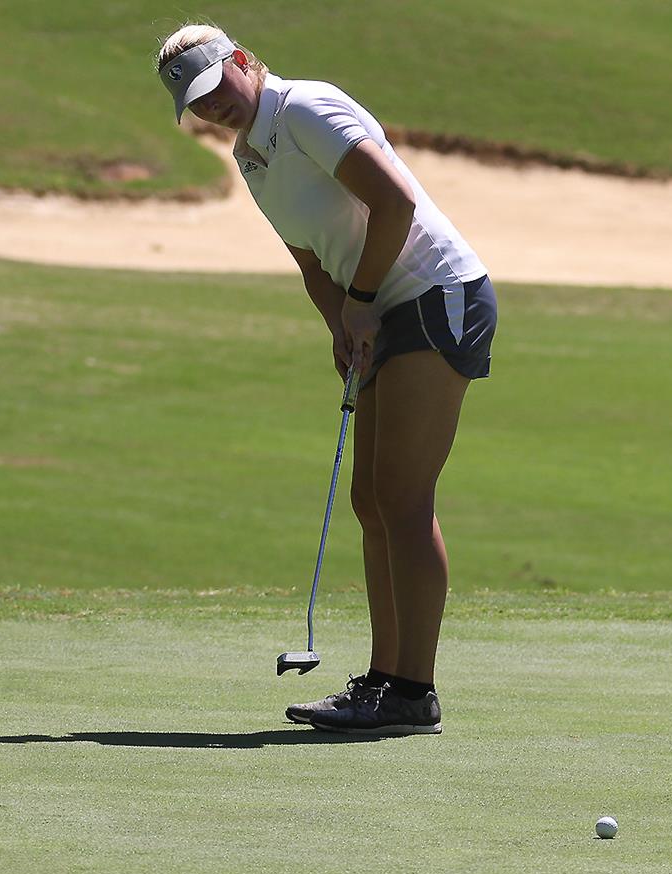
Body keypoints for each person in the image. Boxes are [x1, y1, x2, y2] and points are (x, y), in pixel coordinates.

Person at [157, 25, 497, 735]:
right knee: (370, 499)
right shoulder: (252, 158)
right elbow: (314, 264)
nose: (213, 106)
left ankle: (414, 690)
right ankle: (384, 681)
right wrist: (340, 327)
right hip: (378, 307)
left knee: (403, 499)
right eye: (198, 103)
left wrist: (364, 304)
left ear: (243, 62)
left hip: (437, 294)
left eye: (219, 87)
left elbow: (396, 205)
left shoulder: (305, 108)